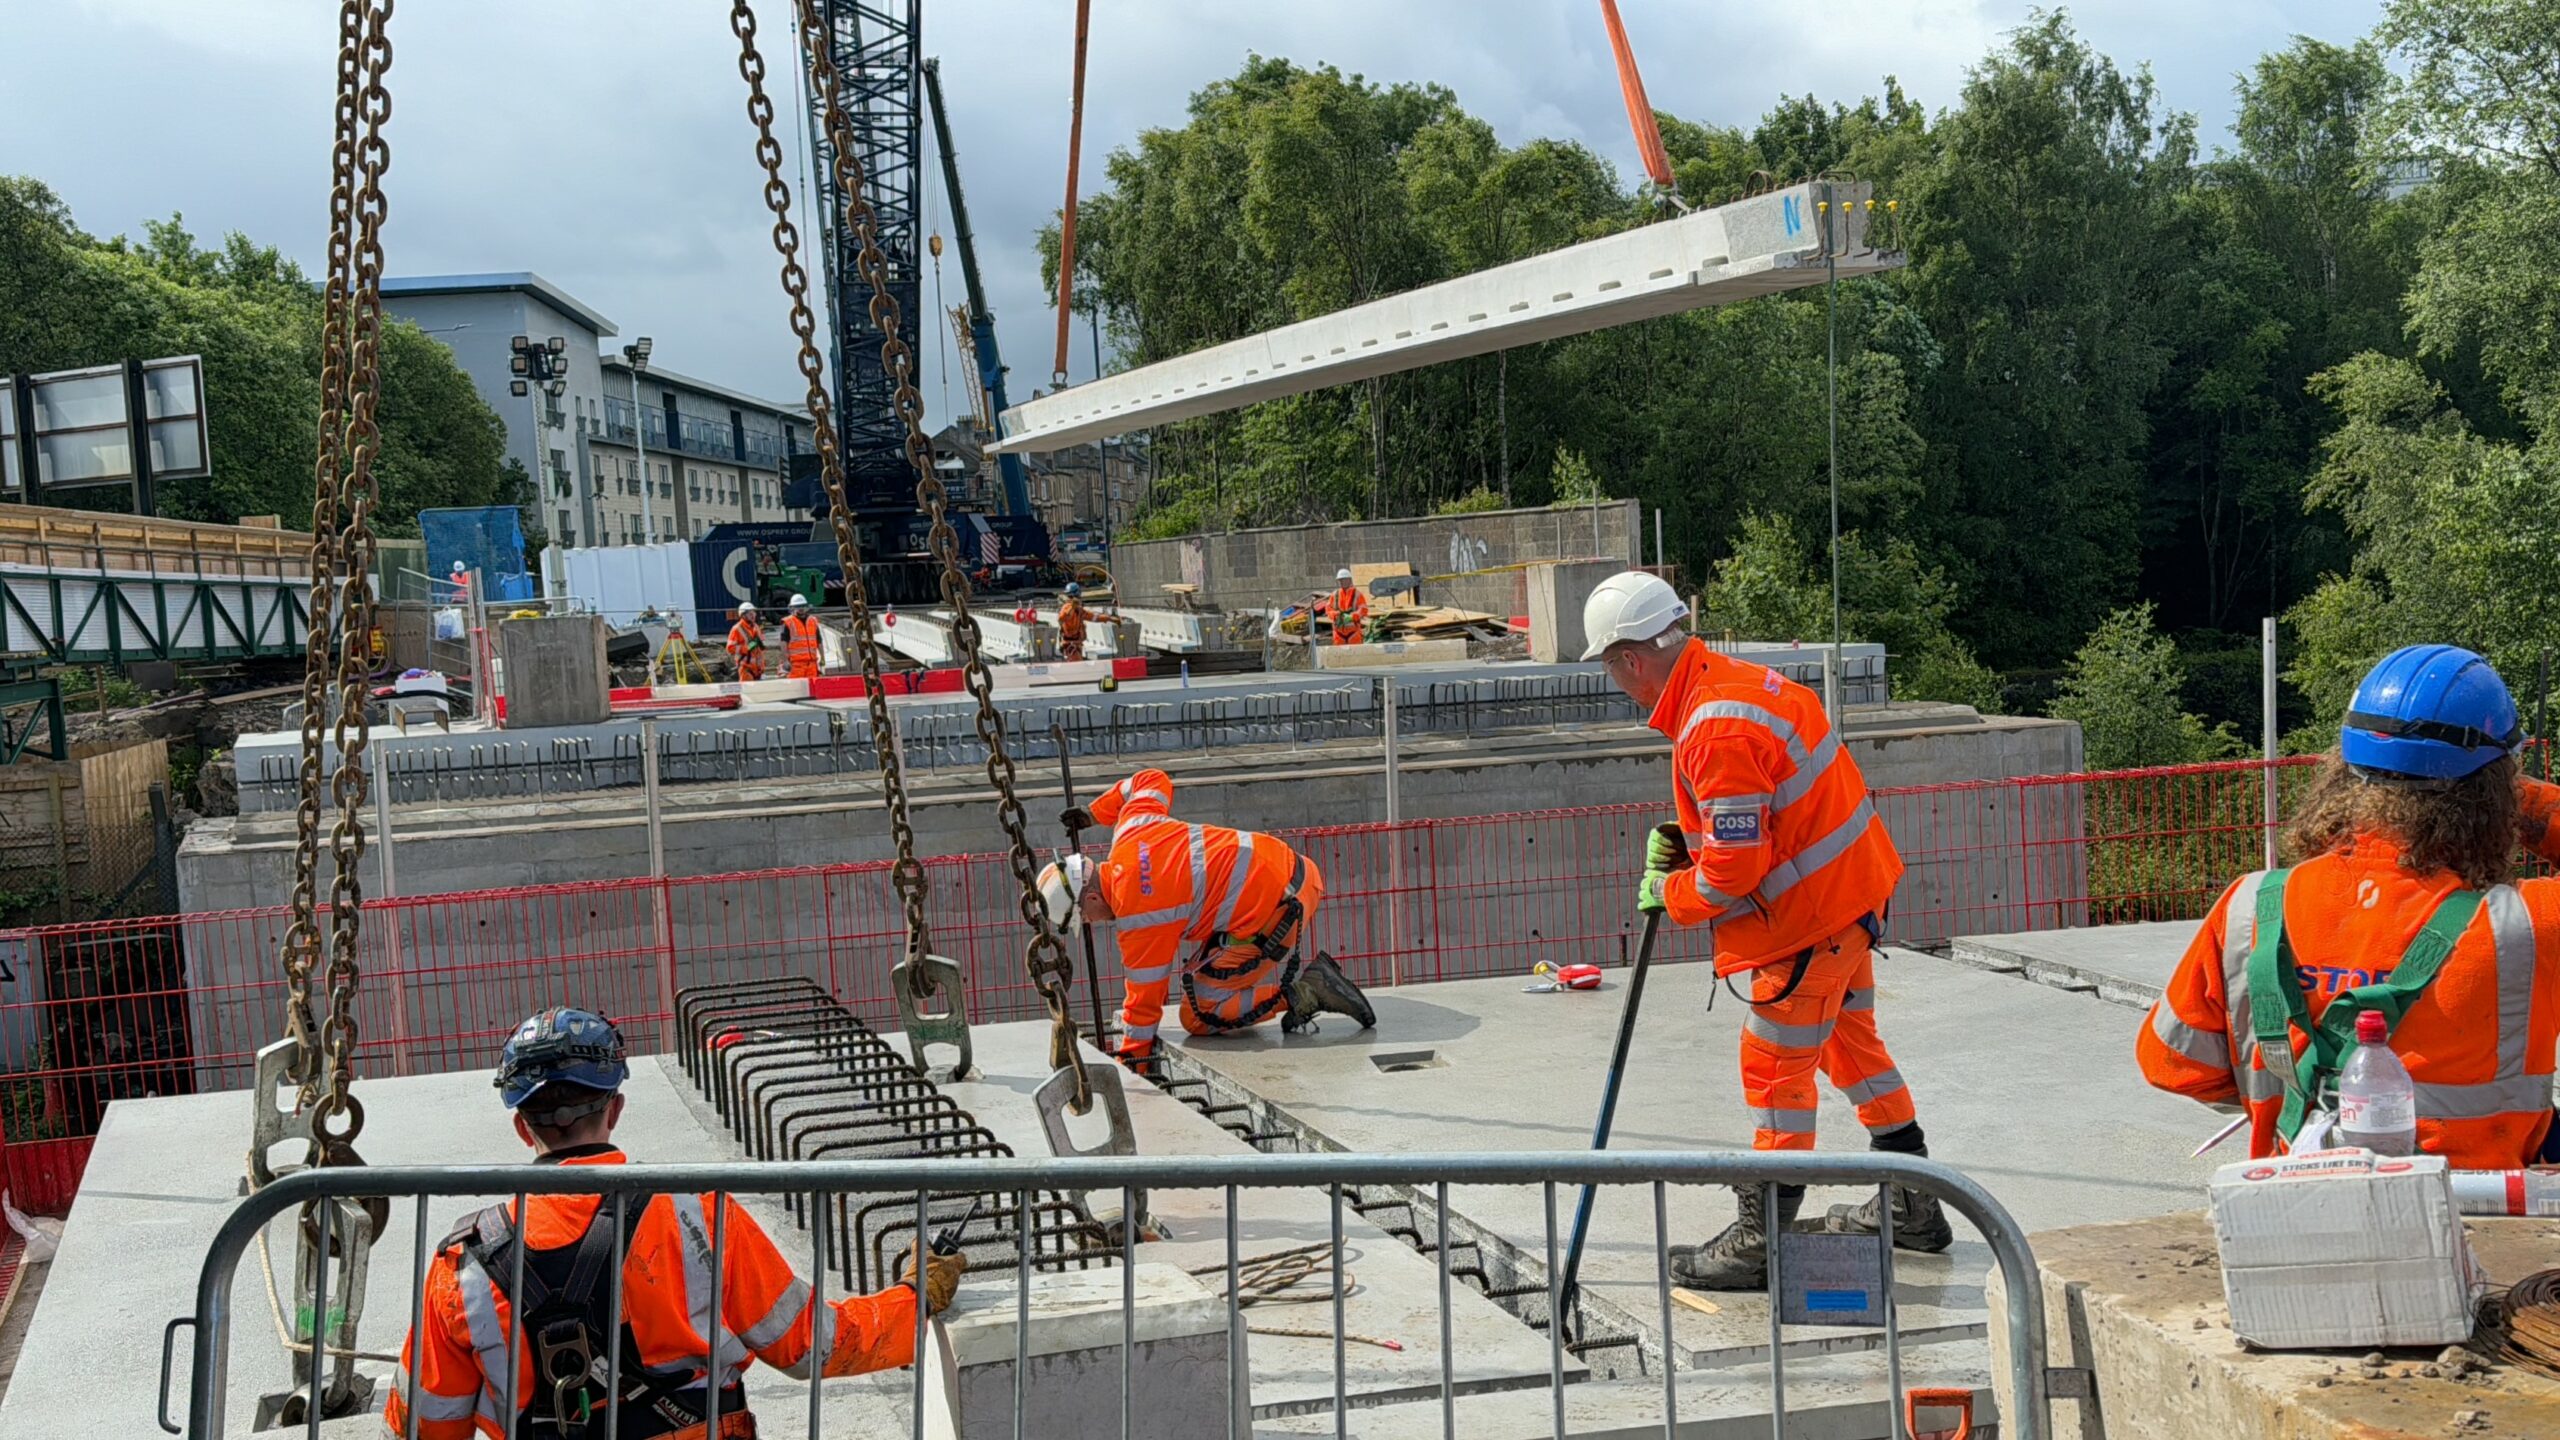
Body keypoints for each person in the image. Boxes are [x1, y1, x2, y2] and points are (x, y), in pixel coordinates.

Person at [1581, 570, 1944, 1290]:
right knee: (1855, 1053)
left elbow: (1734, 874)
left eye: (1610, 667)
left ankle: (1761, 1239)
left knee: (1775, 1074)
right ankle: (1914, 1207)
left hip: (1805, 928)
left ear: (1630, 659)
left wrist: (1672, 889)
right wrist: (1701, 839)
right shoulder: (1742, 685)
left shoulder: (1713, 727)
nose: (1615, 681)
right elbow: (1765, 816)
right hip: (1846, 906)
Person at [385, 1008, 960, 1439]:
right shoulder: (695, 1214)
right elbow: (813, 1345)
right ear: (614, 1109)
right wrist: (916, 1296)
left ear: (520, 1127)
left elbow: (423, 1425)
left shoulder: (461, 1266)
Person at [2138, 645, 2560, 1169]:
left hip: (2303, 1206)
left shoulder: (2252, 905)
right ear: (2493, 789)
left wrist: (2286, 1094)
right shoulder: (2530, 923)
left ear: (2344, 767)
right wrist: (2523, 801)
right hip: (2483, 1217)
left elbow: (2173, 1062)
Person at [1034, 768, 1375, 1062]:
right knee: (1202, 972)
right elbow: (1150, 780)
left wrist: (1133, 1068)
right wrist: (1095, 813)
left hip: (1279, 913)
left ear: (1091, 897)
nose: (1092, 924)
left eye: (1086, 918)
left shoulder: (1139, 918)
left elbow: (1142, 1008)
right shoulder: (1131, 829)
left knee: (1199, 1013)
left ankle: (1309, 991)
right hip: (1297, 873)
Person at [780, 594, 822, 681]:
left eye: (803, 606)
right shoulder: (788, 622)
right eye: (798, 606)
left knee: (813, 691)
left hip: (812, 664)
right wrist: (785, 660)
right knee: (797, 690)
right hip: (796, 665)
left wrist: (823, 657)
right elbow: (783, 643)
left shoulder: (813, 621)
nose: (801, 608)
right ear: (792, 608)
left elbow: (819, 641)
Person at [1321, 568, 1367, 647]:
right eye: (1340, 580)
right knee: (1339, 657)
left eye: (1344, 579)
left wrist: (1352, 616)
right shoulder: (1334, 595)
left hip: (1354, 633)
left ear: (1349, 580)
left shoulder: (1357, 594)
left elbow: (1363, 609)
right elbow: (1328, 609)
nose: (1342, 582)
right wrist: (1336, 615)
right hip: (1338, 634)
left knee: (1355, 656)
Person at [724, 603, 766, 682]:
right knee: (748, 693)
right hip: (746, 668)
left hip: (758, 670)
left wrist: (762, 667)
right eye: (750, 613)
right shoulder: (737, 629)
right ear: (743, 616)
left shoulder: (756, 627)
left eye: (753, 612)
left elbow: (760, 650)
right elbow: (730, 648)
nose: (753, 615)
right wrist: (746, 648)